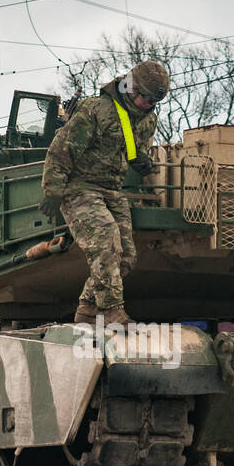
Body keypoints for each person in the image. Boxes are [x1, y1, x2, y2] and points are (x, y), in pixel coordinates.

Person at [40, 60, 169, 325]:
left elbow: (129, 145)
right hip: (80, 188)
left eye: (154, 101)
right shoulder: (97, 109)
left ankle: (88, 307)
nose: (149, 105)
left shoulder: (146, 119)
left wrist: (141, 160)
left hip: (111, 189)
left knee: (127, 257)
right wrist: (53, 191)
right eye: (145, 98)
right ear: (131, 88)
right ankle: (112, 311)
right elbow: (62, 149)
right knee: (106, 243)